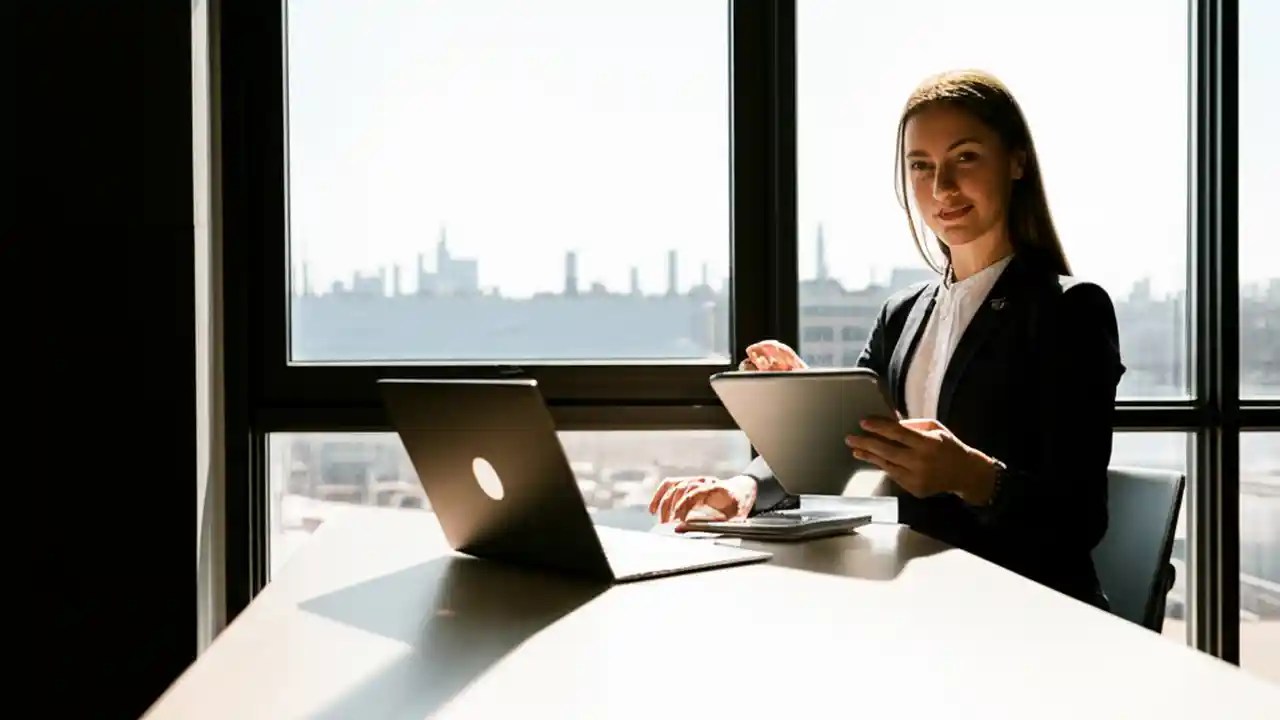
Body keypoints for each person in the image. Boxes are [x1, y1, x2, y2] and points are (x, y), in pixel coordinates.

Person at [648, 68, 1124, 609]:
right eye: (921, 167)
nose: (942, 187)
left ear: (1016, 161)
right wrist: (746, 484)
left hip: (1030, 609)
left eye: (965, 157)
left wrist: (975, 476)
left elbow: (1080, 518)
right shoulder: (902, 315)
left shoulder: (1070, 309)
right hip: (925, 599)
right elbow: (848, 450)